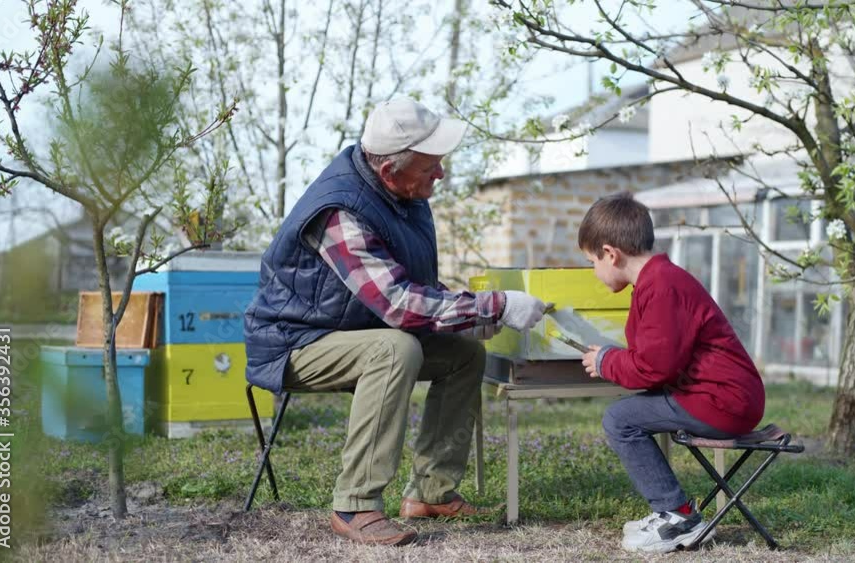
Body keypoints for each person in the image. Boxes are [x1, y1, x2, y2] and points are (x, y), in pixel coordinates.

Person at [244, 98, 548, 546]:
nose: (440, 174)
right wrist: (494, 305)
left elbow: (416, 285)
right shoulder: (340, 211)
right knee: (394, 349)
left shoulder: (405, 194)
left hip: (353, 331)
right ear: (390, 172)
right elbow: (398, 305)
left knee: (464, 354)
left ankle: (431, 492)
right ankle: (355, 504)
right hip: (296, 341)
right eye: (431, 167)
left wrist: (466, 319)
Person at [576, 193, 765, 554]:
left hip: (722, 401)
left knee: (620, 419)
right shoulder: (659, 280)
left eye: (591, 262)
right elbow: (659, 362)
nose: (594, 271)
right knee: (627, 413)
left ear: (610, 253)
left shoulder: (661, 285)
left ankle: (677, 517)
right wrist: (617, 359)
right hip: (721, 397)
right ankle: (673, 513)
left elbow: (653, 368)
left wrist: (606, 362)